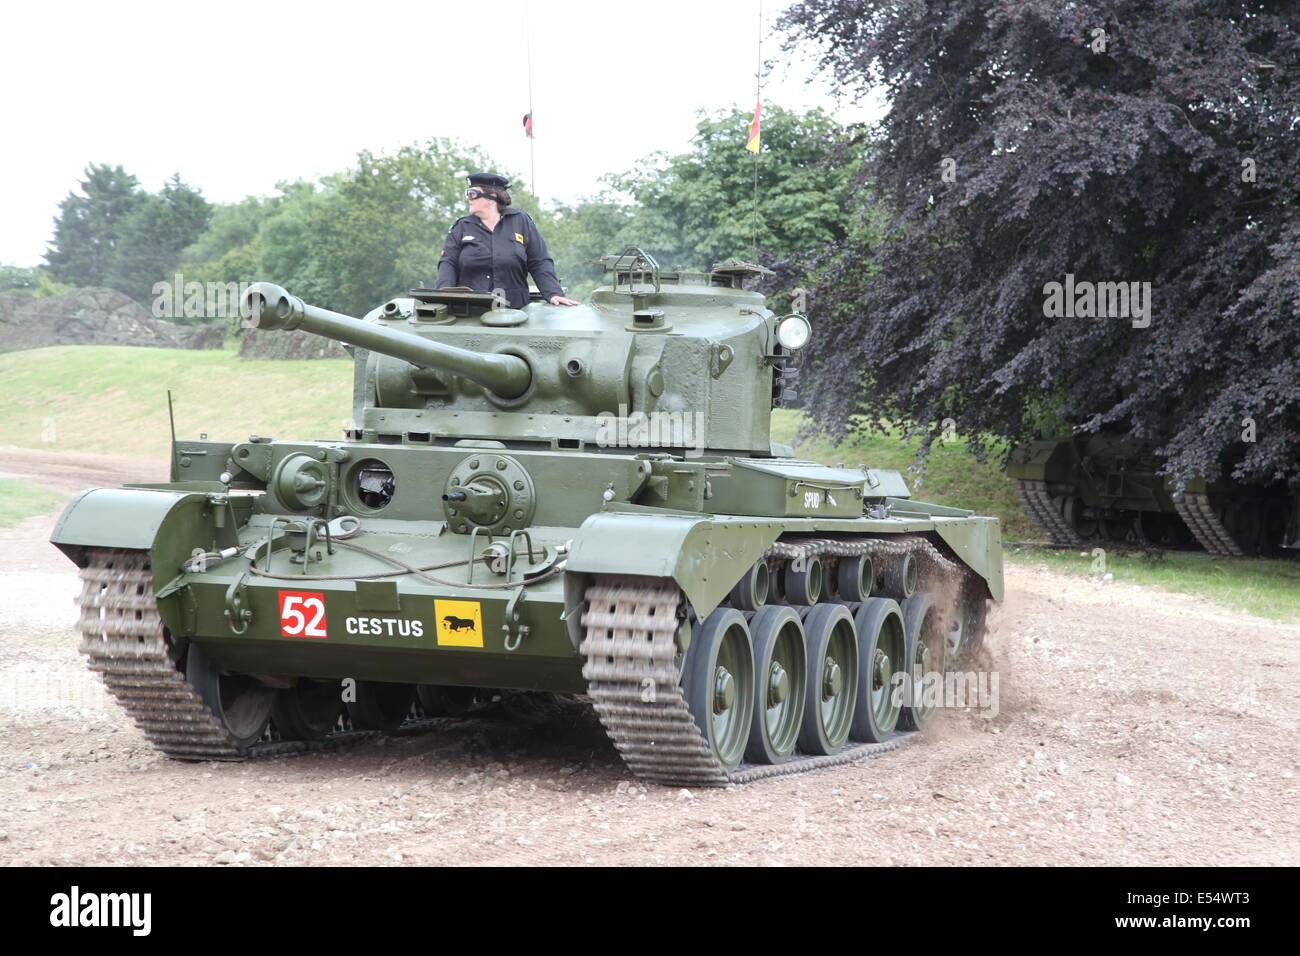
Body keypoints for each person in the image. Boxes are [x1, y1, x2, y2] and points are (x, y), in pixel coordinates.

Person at [436, 172, 579, 308]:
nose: (468, 198)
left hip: (515, 310)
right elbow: (448, 263)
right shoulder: (462, 227)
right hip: (470, 312)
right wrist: (443, 295)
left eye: (472, 194)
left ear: (491, 197)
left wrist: (553, 292)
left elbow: (539, 261)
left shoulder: (520, 221)